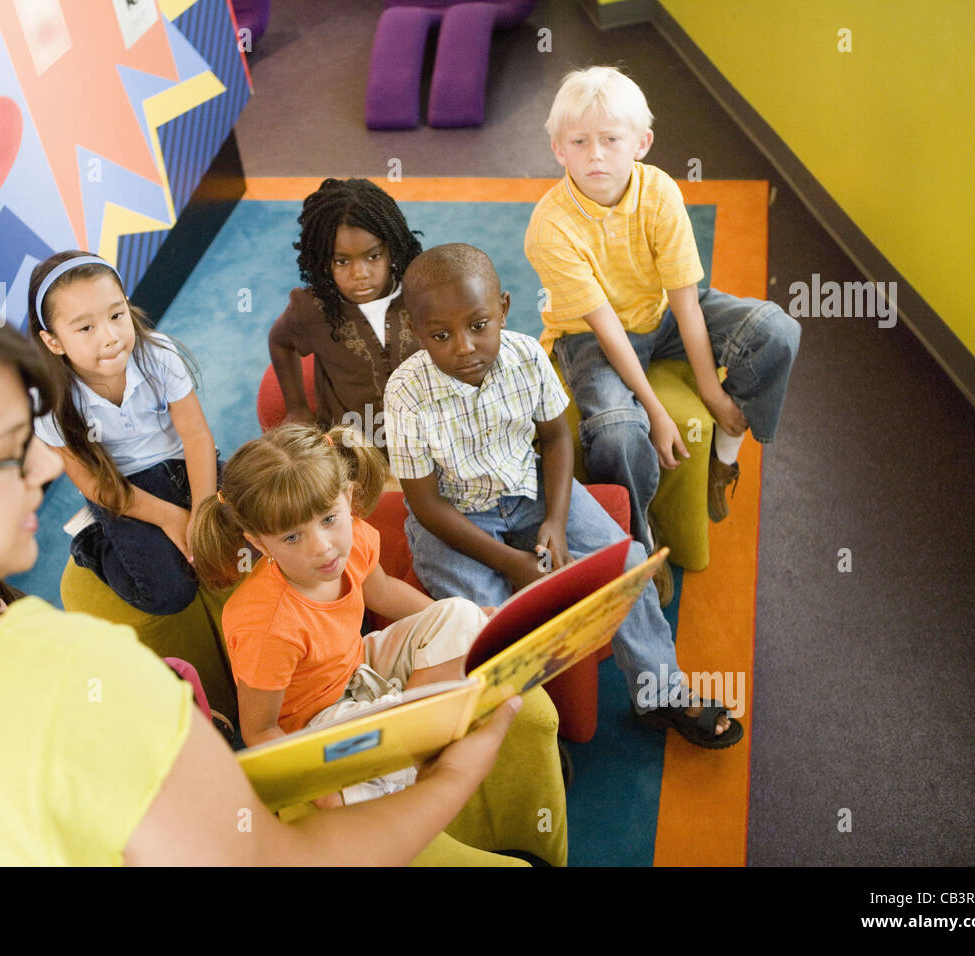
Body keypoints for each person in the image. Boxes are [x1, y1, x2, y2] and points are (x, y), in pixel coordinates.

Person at [0, 282, 521, 866]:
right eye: (3, 452)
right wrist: (454, 776)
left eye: (32, 441)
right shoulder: (74, 673)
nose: (42, 476)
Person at [383, 244, 742, 748]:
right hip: (450, 517)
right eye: (440, 335)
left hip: (529, 488)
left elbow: (553, 440)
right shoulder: (404, 393)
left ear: (503, 309)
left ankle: (659, 692)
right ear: (416, 333)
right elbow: (424, 504)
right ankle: (528, 729)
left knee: (627, 561)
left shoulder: (528, 356)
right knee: (484, 620)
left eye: (479, 325)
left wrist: (554, 519)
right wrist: (511, 563)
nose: (463, 346)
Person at [524, 66, 800, 562]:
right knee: (616, 430)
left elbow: (684, 299)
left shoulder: (660, 193)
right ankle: (636, 540)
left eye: (611, 139)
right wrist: (654, 410)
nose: (596, 154)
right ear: (558, 150)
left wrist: (714, 395)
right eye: (580, 142)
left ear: (641, 143)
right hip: (590, 336)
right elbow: (607, 329)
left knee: (776, 331)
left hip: (664, 314)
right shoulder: (549, 228)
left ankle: (724, 457)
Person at [190, 423, 503, 805]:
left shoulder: (354, 540)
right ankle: (414, 738)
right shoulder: (266, 624)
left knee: (462, 613)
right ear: (257, 542)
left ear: (348, 498)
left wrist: (460, 623)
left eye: (328, 519)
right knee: (353, 773)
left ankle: (410, 736)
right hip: (318, 722)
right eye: (292, 537)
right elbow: (260, 730)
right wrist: (320, 789)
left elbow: (384, 593)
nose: (322, 548)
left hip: (361, 667)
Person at [28, 251, 219, 616]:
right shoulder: (50, 401)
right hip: (121, 490)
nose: (111, 337)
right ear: (53, 342)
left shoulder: (160, 355)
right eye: (86, 328)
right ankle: (93, 541)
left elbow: (196, 437)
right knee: (168, 595)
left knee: (253, 540)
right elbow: (96, 486)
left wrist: (203, 509)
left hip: (181, 469)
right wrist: (172, 518)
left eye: (116, 316)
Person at [267, 178, 423, 443]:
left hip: (425, 437)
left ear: (392, 247)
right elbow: (279, 341)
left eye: (373, 256)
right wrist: (297, 409)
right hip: (352, 445)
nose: (360, 274)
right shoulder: (310, 310)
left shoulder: (423, 292)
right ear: (323, 259)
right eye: (342, 261)